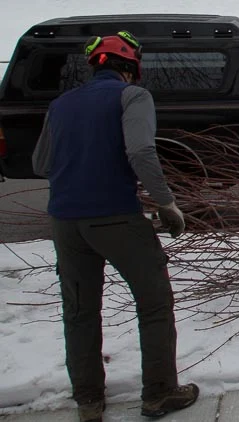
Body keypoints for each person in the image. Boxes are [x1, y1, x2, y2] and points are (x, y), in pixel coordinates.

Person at [30, 30, 198, 422]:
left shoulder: (60, 104)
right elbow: (140, 149)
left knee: (79, 310)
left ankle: (88, 401)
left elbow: (41, 165)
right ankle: (158, 395)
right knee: (154, 302)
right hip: (116, 218)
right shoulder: (133, 97)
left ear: (94, 65)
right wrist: (166, 202)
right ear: (132, 67)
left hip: (66, 223)